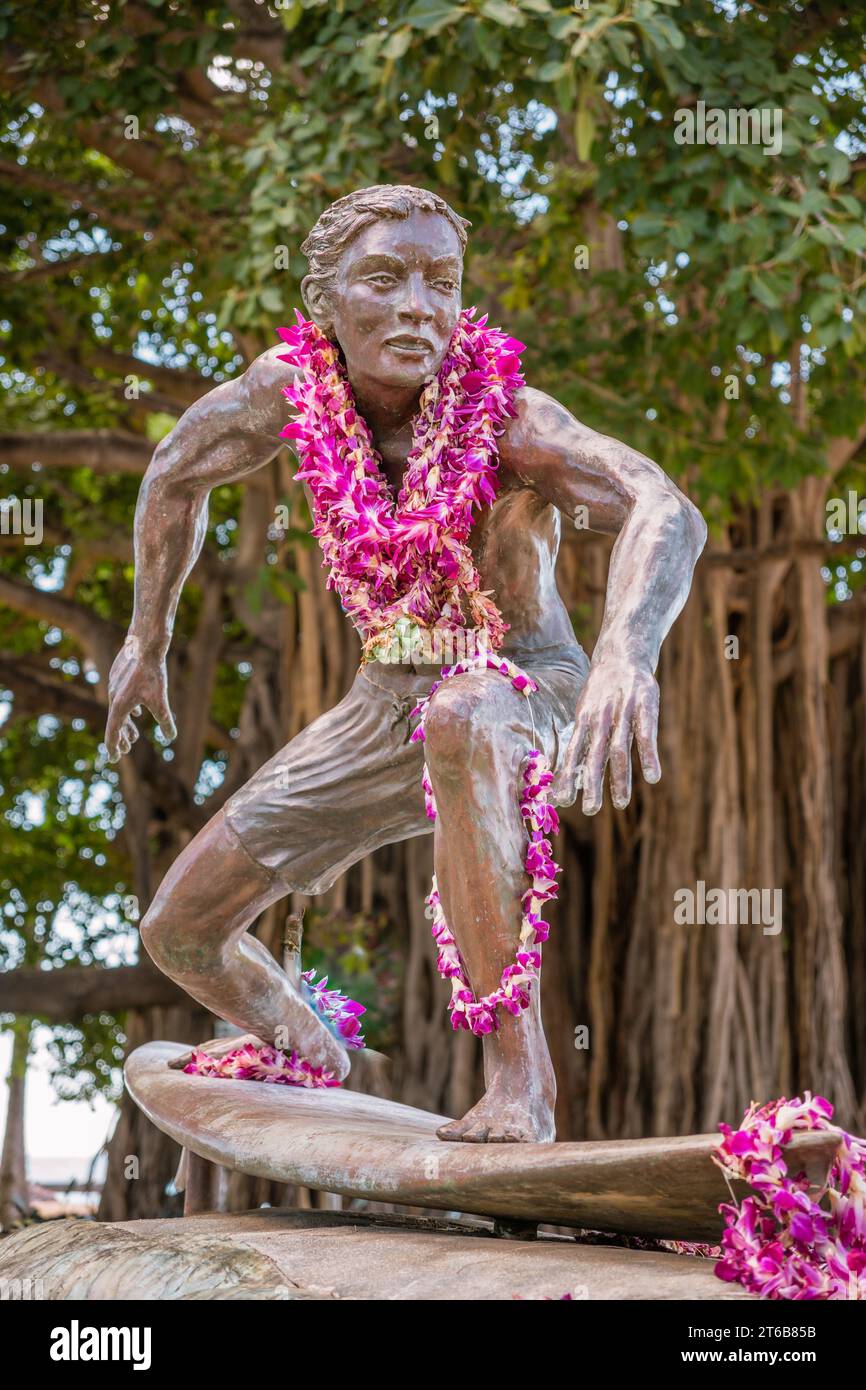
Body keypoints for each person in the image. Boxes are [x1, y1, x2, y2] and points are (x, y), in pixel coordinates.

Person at [105, 185, 705, 1142]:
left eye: (442, 283)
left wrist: (627, 656)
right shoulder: (283, 391)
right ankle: (305, 1046)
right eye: (384, 279)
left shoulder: (507, 417)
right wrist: (147, 637)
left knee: (463, 715)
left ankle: (522, 1087)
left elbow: (661, 504)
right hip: (386, 698)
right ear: (324, 303)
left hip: (524, 685)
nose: (419, 306)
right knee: (179, 932)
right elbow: (175, 471)